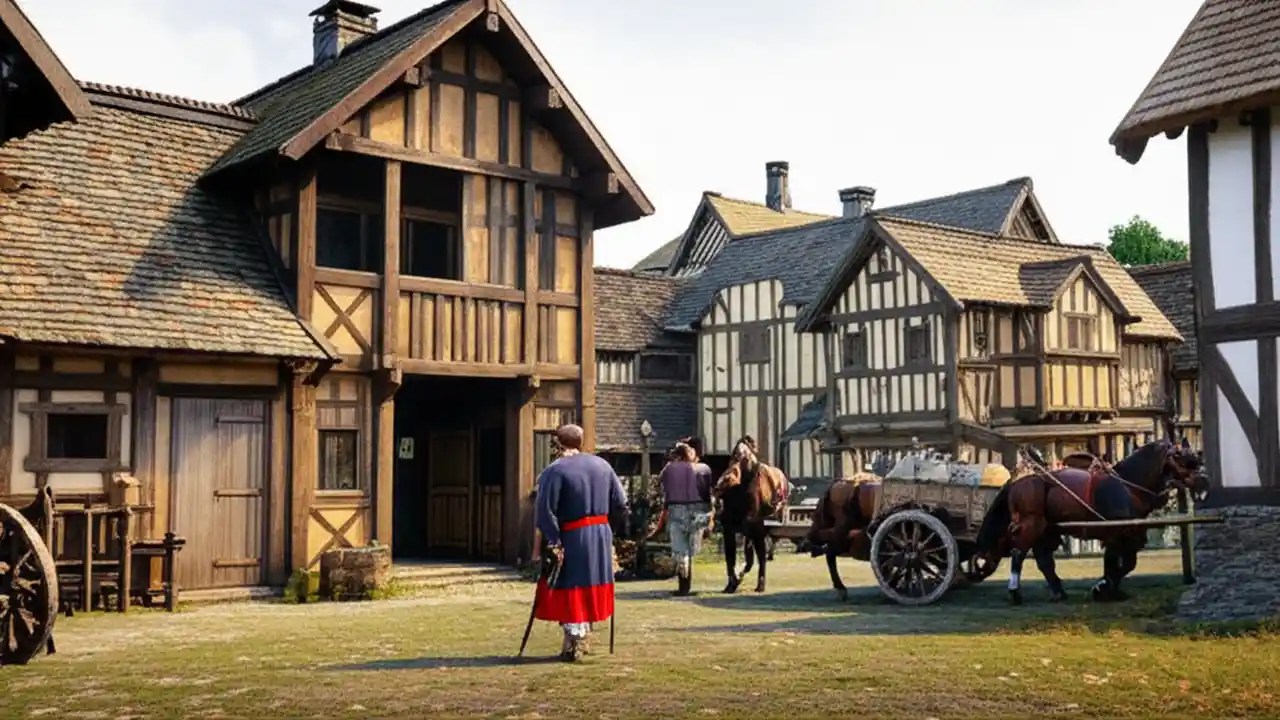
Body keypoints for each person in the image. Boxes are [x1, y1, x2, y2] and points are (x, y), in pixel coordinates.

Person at [533, 424, 628, 662]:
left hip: (572, 534)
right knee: (590, 583)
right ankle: (579, 635)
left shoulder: (554, 471)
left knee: (570, 585)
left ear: (557, 444)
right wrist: (609, 530)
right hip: (600, 533)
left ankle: (577, 636)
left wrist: (553, 539)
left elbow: (545, 511)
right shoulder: (603, 465)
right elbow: (621, 503)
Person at [655, 436, 714, 597]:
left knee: (680, 549)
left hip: (676, 509)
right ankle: (687, 570)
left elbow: (662, 487)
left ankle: (683, 583)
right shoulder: (704, 469)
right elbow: (708, 492)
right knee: (692, 545)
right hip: (699, 509)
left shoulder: (669, 469)